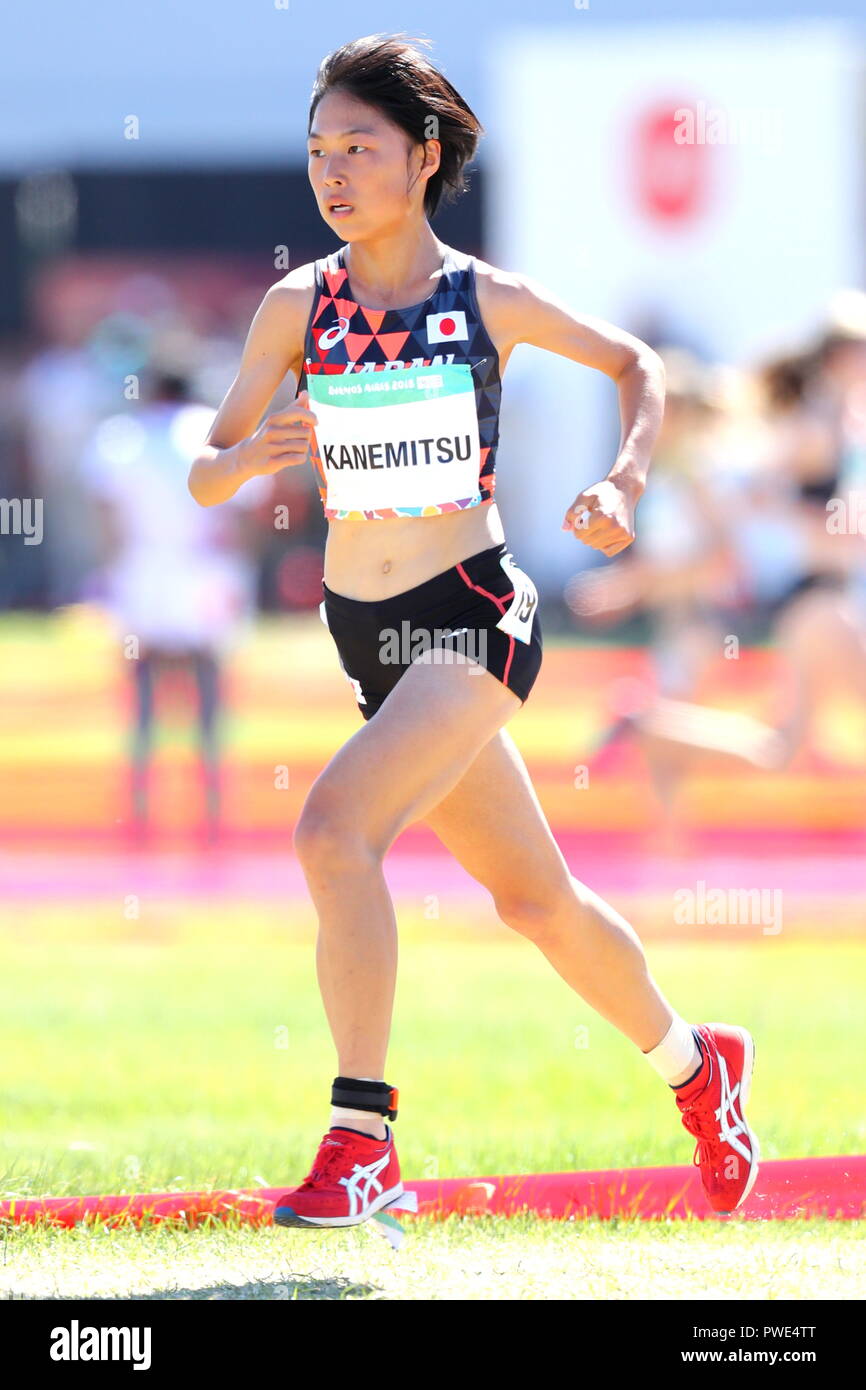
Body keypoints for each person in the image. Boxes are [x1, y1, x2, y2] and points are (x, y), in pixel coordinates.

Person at [188, 32, 759, 1227]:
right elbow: (202, 472)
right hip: (370, 639)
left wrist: (623, 482)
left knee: (333, 831)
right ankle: (696, 1070)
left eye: (360, 148)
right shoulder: (297, 306)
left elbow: (635, 364)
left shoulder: (480, 297)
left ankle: (362, 1142)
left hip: (473, 618)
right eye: (317, 151)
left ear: (425, 154)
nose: (332, 172)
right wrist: (251, 457)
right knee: (535, 900)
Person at [83, 367, 270, 840]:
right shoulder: (215, 433)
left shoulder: (123, 436)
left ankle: (139, 803)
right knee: (207, 689)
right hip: (205, 570)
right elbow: (247, 510)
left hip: (144, 571)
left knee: (143, 691)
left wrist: (113, 572)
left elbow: (106, 515)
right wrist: (238, 567)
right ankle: (214, 803)